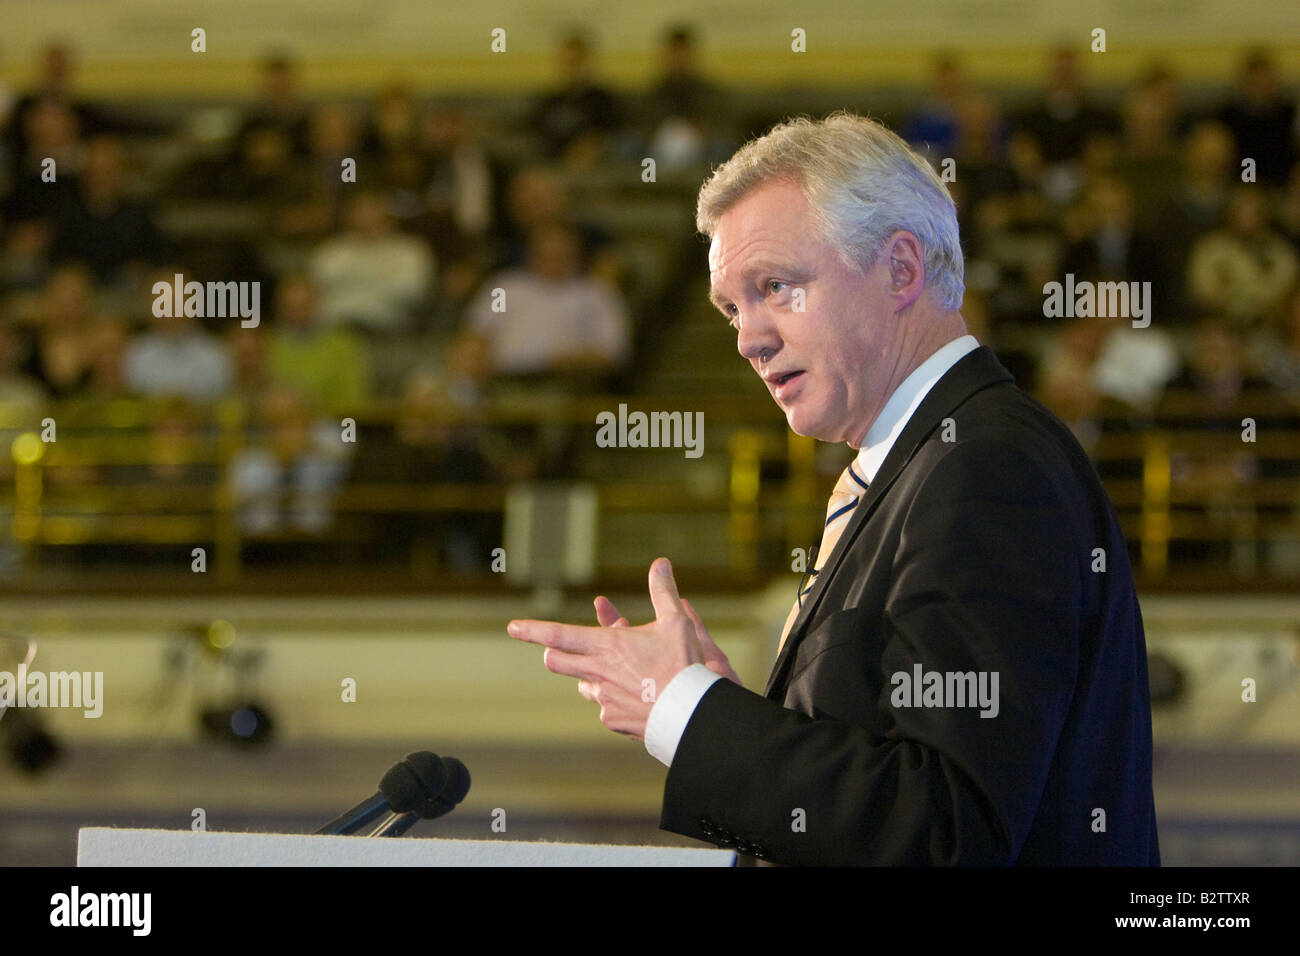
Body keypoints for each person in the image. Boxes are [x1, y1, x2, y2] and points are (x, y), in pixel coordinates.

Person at [508, 112, 1160, 866]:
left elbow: (947, 834)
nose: (749, 339)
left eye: (776, 287)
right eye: (731, 308)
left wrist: (686, 714)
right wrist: (737, 713)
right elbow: (889, 788)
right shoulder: (915, 464)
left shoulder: (984, 469)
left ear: (901, 270)